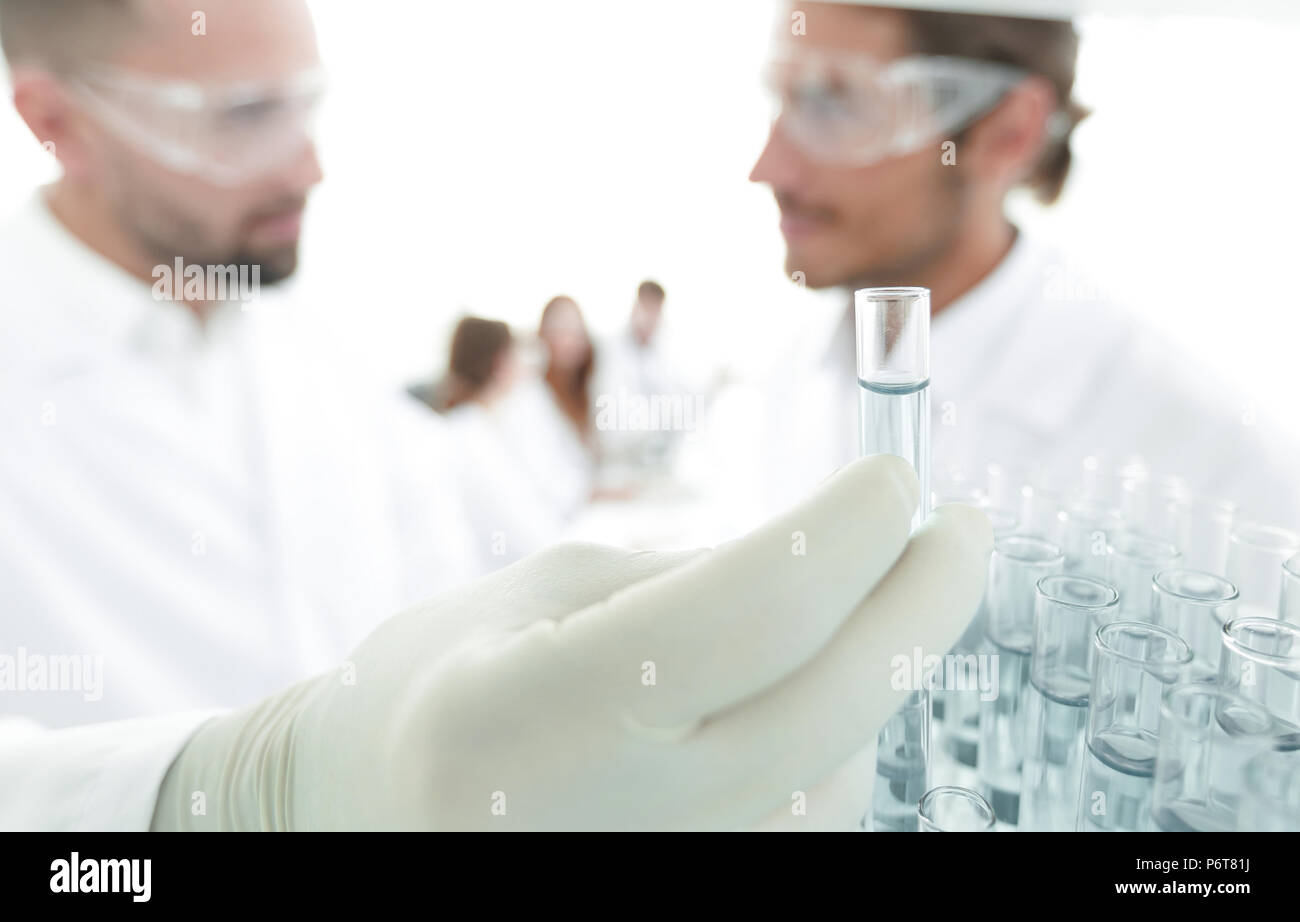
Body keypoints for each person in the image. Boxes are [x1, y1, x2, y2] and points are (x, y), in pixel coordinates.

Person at [0, 0, 992, 832]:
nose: (307, 166)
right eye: (241, 114)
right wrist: (223, 794)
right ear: (56, 122)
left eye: (305, 105)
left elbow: (484, 585)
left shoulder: (325, 351)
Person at [748, 1, 1299, 536]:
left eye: (832, 104)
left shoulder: (1223, 477)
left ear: (1008, 132)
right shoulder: (779, 381)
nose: (767, 169)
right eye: (783, 98)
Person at [437, 317, 567, 563]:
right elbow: (530, 538)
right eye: (517, 356)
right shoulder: (471, 438)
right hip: (513, 581)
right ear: (500, 364)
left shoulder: (477, 428)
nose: (524, 366)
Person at [496, 295, 598, 519]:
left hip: (581, 513)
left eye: (577, 331)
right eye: (562, 330)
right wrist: (595, 494)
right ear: (543, 335)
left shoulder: (578, 392)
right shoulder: (529, 398)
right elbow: (549, 484)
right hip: (556, 524)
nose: (572, 340)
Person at [590, 280, 688, 492]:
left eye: (655, 311)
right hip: (616, 464)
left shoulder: (666, 353)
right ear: (636, 307)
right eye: (646, 309)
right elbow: (611, 415)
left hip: (655, 462)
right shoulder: (610, 350)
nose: (649, 318)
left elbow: (678, 406)